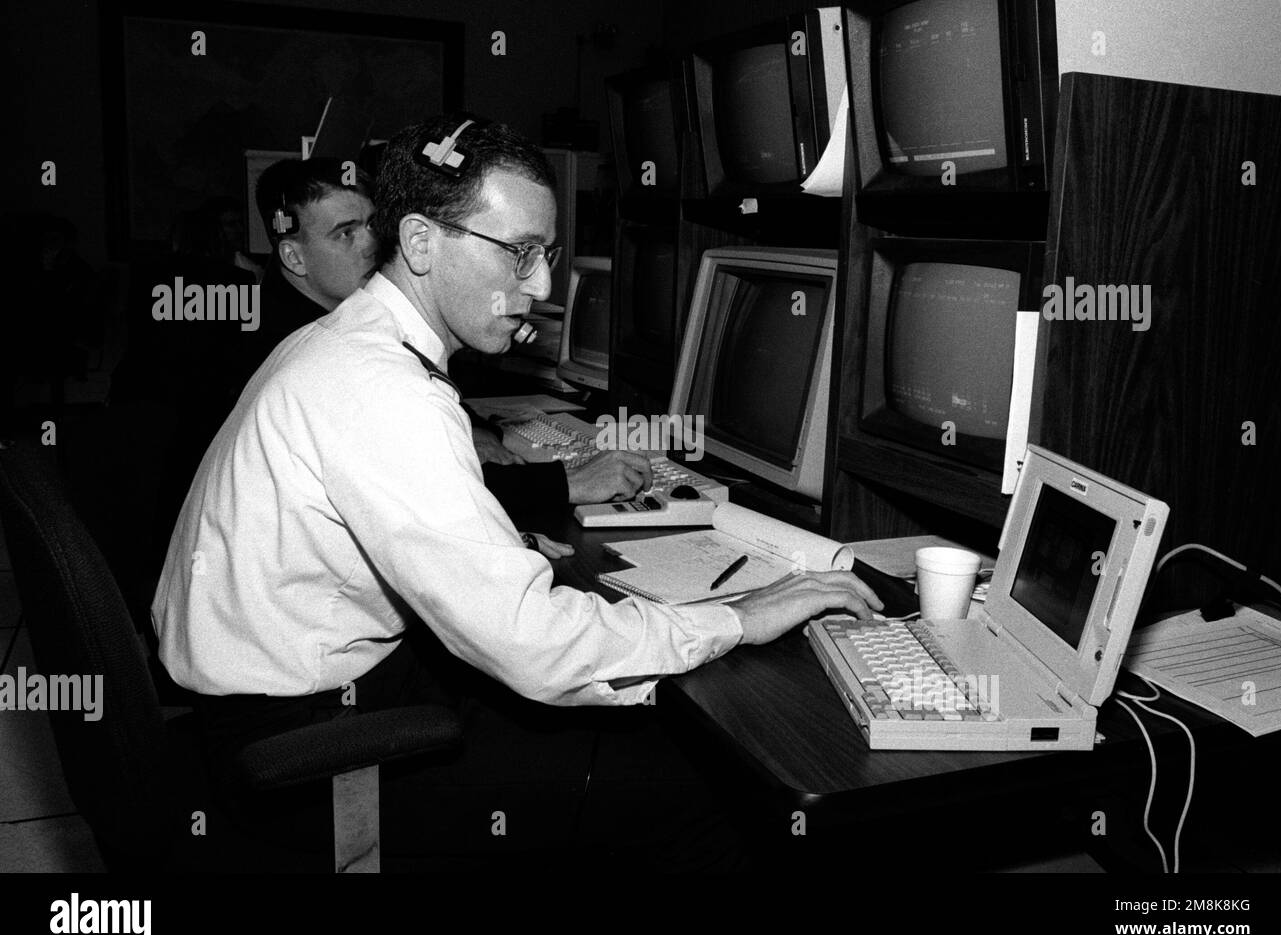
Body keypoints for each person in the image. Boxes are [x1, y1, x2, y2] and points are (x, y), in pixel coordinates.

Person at [152, 115, 878, 860]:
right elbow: (534, 645)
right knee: (711, 792)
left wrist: (504, 547)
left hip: (287, 703)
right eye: (520, 253)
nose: (541, 284)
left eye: (547, 253)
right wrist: (737, 617)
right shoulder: (381, 389)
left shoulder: (348, 340)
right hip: (307, 752)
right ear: (420, 243)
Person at [252, 157, 650, 520]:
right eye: (345, 234)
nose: (371, 244)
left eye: (372, 224)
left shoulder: (335, 325)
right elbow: (431, 502)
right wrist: (570, 483)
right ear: (294, 258)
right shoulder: (333, 359)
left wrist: (474, 429)